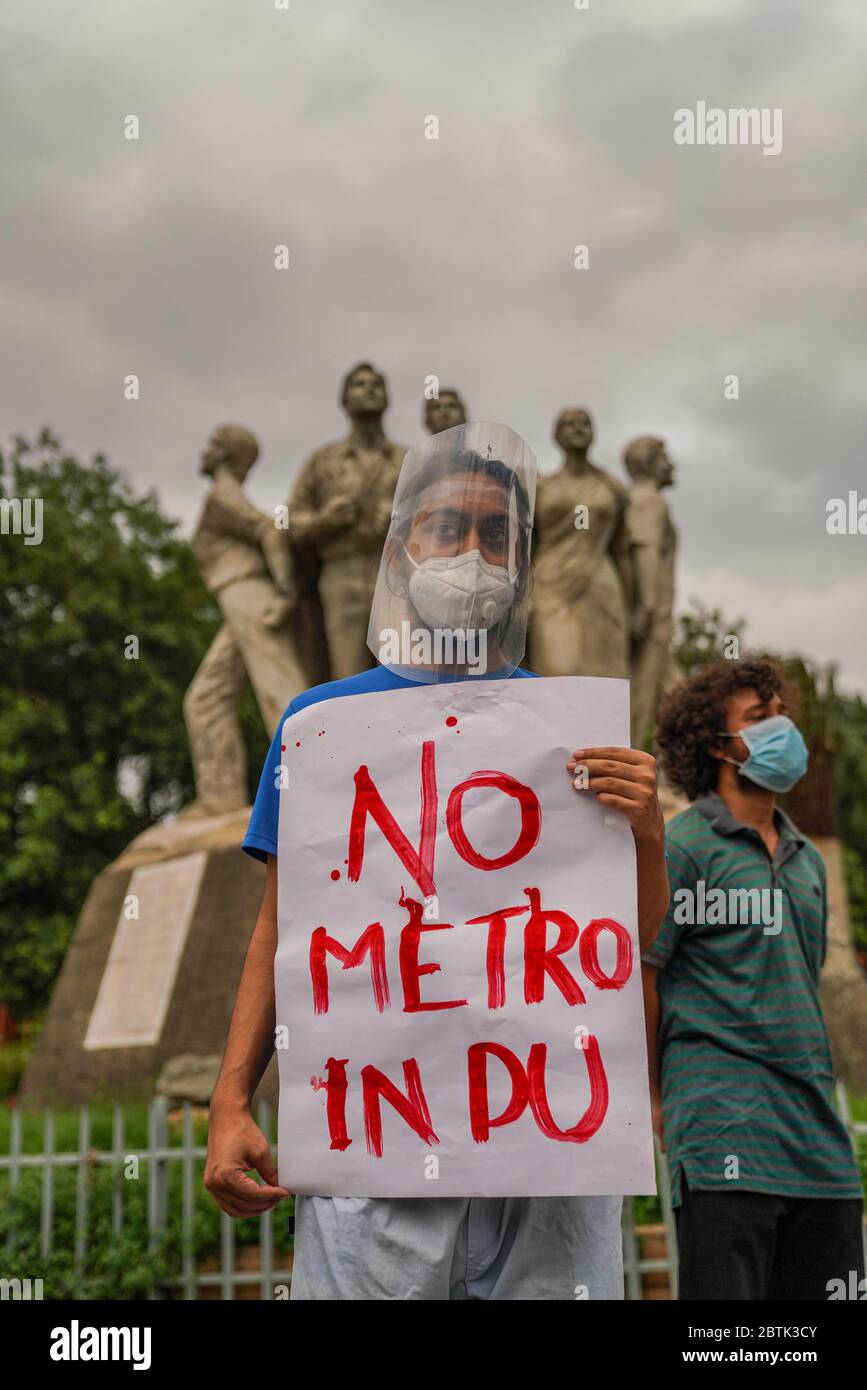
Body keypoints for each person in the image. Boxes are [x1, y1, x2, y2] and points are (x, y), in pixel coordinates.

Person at [205, 422, 669, 1301]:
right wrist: (230, 1103)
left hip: (548, 1163)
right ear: (403, 546)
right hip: (376, 1155)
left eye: (497, 534)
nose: (472, 552)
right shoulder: (320, 727)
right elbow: (283, 927)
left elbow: (621, 942)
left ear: (523, 559)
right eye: (447, 528)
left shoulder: (573, 727)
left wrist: (645, 838)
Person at [644, 659, 865, 1300]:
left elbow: (801, 977)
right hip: (721, 1132)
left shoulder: (809, 864)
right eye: (758, 720)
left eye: (781, 714)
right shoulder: (680, 848)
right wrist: (658, 1099)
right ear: (717, 746)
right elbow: (644, 976)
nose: (781, 730)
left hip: (819, 1141)